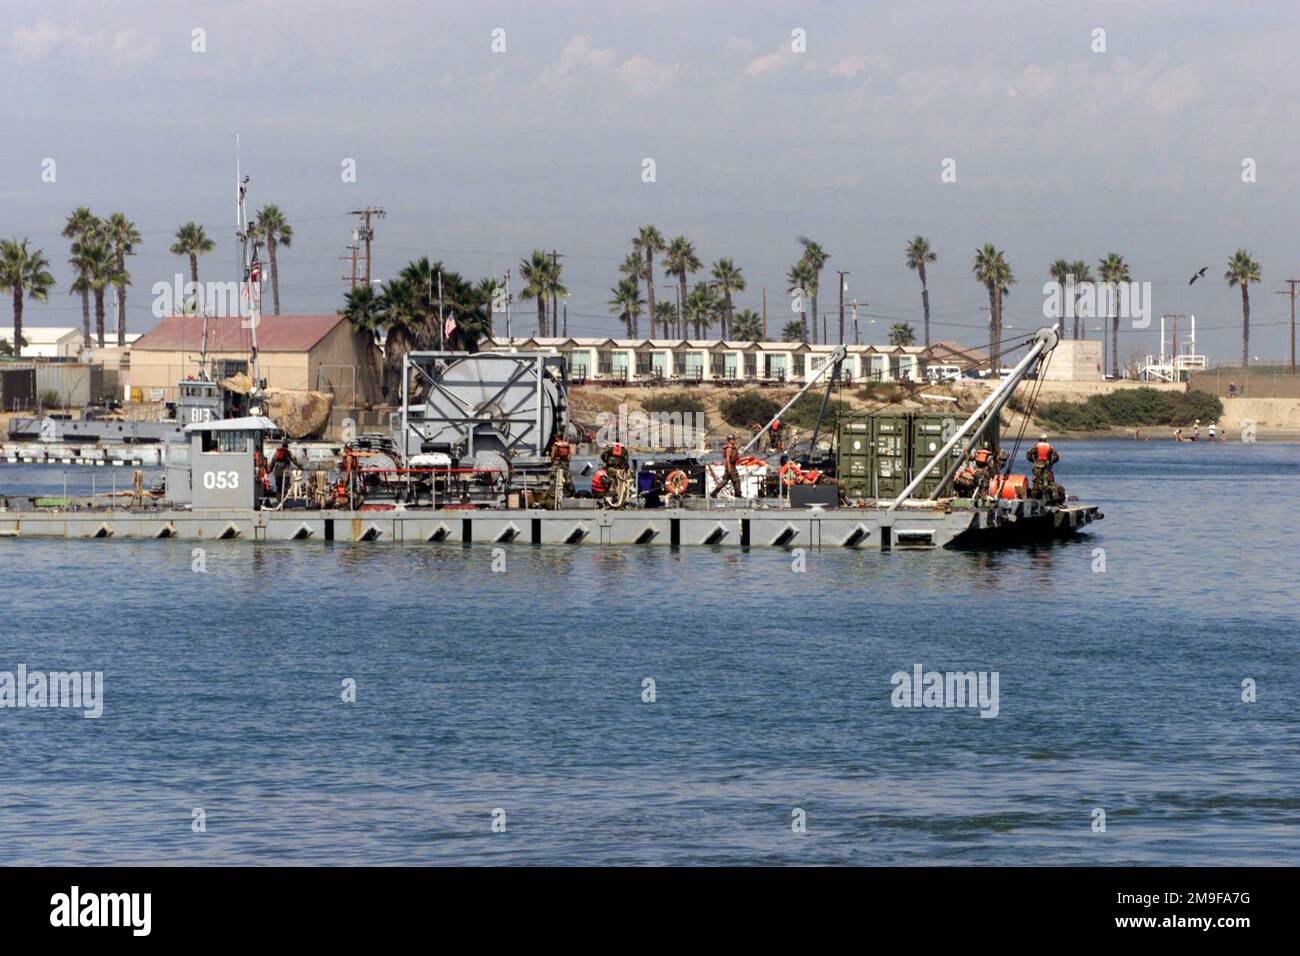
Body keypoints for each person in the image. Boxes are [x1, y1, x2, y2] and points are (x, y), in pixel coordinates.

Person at [1026, 434, 1059, 499]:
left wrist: (1033, 461)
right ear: (1046, 440)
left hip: (1037, 466)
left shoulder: (1036, 446)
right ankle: (1047, 498)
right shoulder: (1050, 447)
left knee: (1036, 482)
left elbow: (1029, 455)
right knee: (1047, 482)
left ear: (1039, 439)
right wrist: (1051, 462)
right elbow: (1056, 457)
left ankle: (1035, 497)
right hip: (1047, 466)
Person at [711, 434, 744, 499]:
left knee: (725, 481)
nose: (734, 441)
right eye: (733, 439)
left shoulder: (732, 447)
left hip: (731, 466)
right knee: (736, 480)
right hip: (731, 466)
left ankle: (714, 492)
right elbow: (728, 459)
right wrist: (729, 469)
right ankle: (738, 495)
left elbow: (738, 446)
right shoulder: (729, 448)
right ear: (730, 440)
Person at [270, 439, 300, 503]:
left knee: (278, 487)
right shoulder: (288, 452)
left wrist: (270, 470)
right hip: (285, 473)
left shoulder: (277, 452)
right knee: (286, 487)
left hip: (277, 473)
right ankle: (283, 500)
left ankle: (279, 500)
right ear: (287, 446)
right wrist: (300, 466)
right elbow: (294, 460)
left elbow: (273, 461)